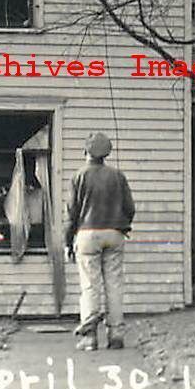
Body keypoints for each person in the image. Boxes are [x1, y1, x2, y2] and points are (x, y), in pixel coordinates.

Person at [65, 132, 134, 351]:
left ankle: (89, 338)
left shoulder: (79, 176)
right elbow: (130, 209)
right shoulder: (118, 176)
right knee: (114, 286)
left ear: (85, 152)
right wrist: (119, 224)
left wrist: (68, 241)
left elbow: (71, 214)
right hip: (115, 233)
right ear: (106, 153)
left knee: (90, 286)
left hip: (87, 234)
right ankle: (116, 337)